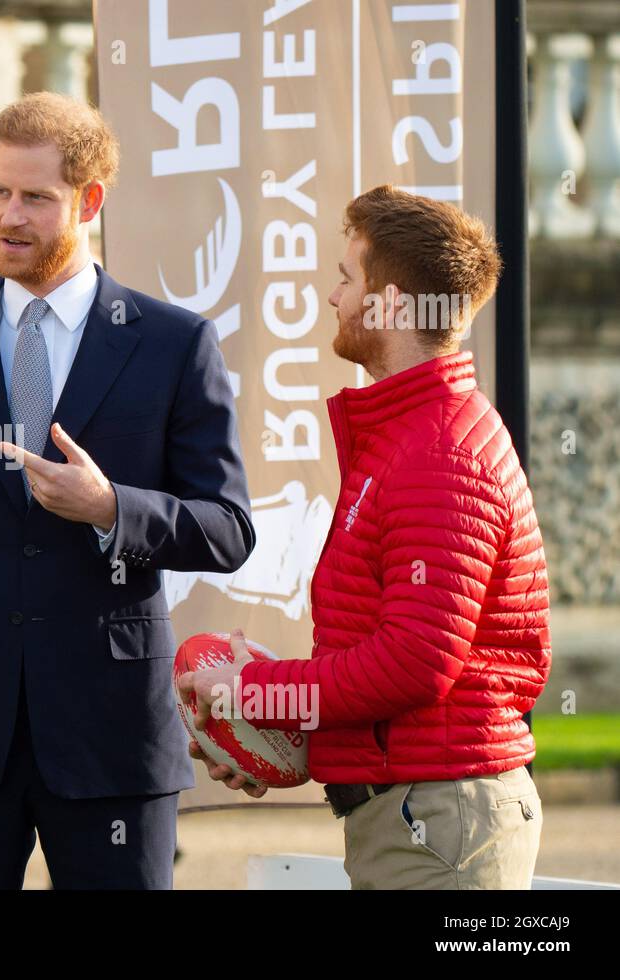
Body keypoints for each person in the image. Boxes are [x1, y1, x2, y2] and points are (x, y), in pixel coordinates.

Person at [0, 92, 255, 890]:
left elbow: (228, 528)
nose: (9, 215)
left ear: (89, 200)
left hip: (111, 737)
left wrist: (113, 509)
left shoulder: (175, 345)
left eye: (36, 197)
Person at [180, 186, 552, 890]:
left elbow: (414, 664)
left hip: (440, 826)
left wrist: (252, 694)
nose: (333, 297)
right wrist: (279, 746)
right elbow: (398, 677)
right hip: (424, 820)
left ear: (391, 304)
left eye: (348, 280)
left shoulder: (439, 453)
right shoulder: (411, 438)